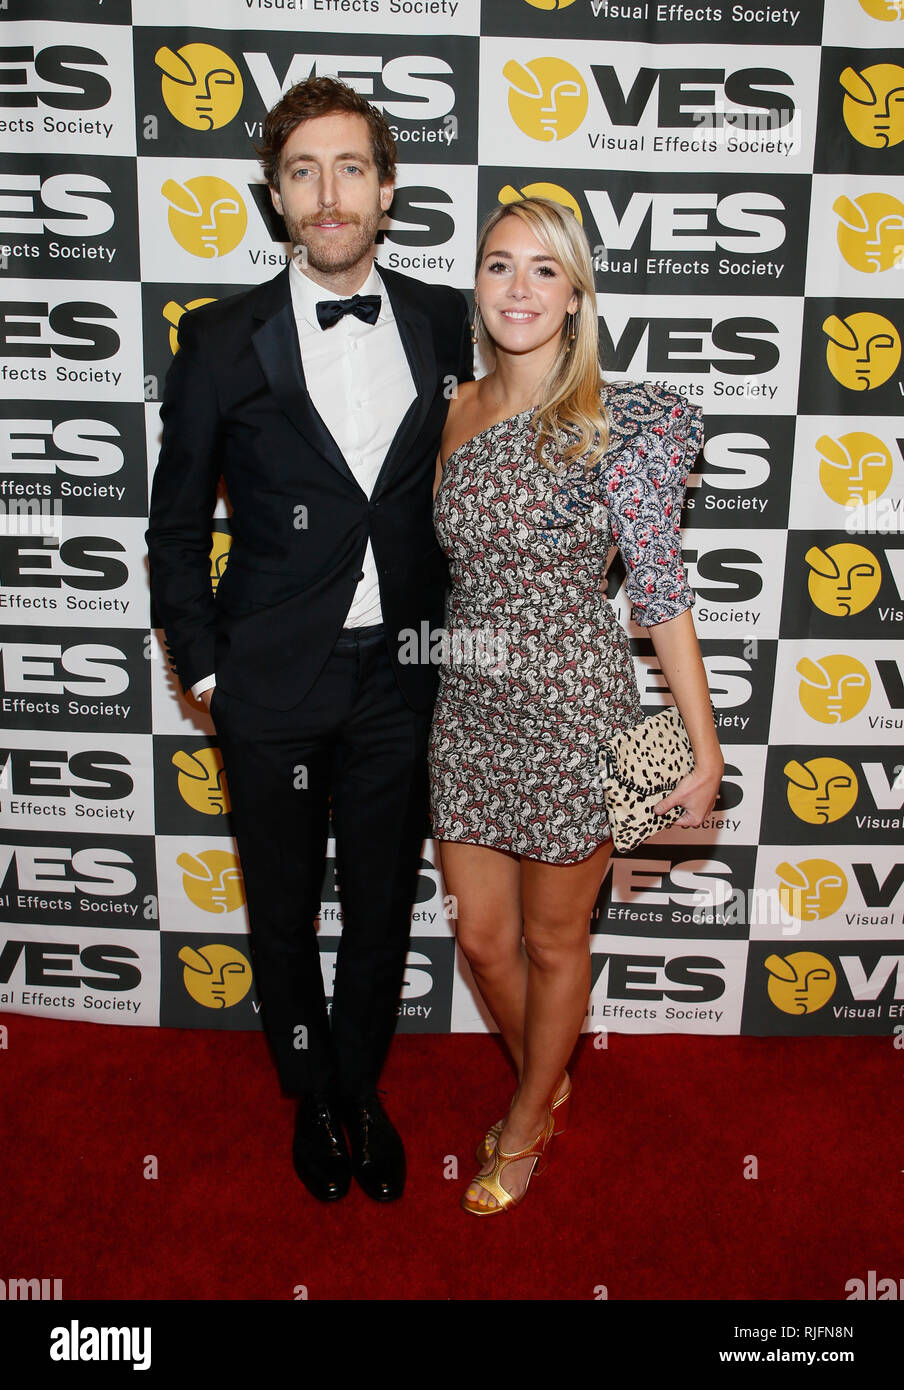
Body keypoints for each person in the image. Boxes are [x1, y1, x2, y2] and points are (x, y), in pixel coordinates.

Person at [147, 77, 472, 1204]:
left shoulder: (445, 322)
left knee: (382, 901)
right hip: (271, 681)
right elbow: (176, 523)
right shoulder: (219, 339)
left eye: (349, 170)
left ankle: (361, 1086)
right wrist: (208, 669)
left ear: (386, 192)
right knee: (279, 908)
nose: (327, 195)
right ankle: (309, 1092)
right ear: (276, 197)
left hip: (403, 675)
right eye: (302, 172)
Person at [429, 196, 723, 1215]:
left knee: (556, 941)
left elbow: (659, 591)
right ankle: (546, 1076)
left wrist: (702, 743)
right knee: (479, 940)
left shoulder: (622, 420)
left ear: (575, 293)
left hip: (575, 707)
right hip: (465, 708)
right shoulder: (451, 409)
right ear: (476, 282)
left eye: (543, 270)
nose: (518, 288)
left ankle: (525, 1122)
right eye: (499, 265)